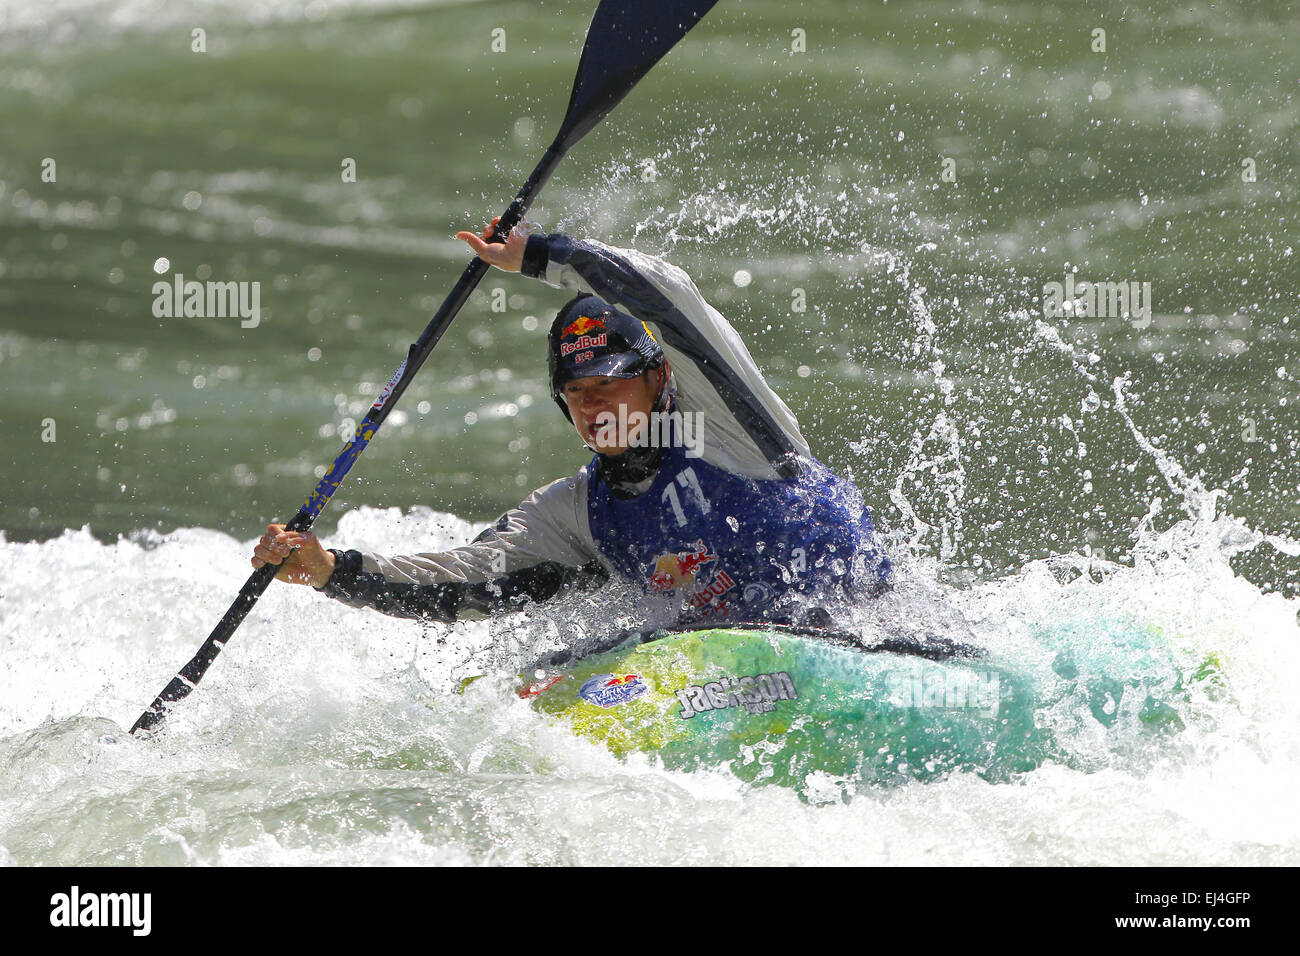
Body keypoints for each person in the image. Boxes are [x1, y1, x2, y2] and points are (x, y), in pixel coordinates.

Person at [252, 218, 890, 629]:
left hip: (864, 639)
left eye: (612, 383)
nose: (594, 405)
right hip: (728, 676)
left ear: (660, 378)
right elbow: (470, 576)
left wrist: (541, 255)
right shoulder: (580, 510)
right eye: (578, 391)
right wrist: (332, 569)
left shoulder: (731, 430)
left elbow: (669, 298)